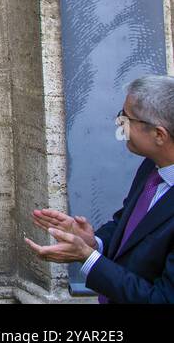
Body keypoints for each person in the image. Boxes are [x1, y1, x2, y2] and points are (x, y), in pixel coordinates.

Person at [26, 76, 174, 304]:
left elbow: (162, 299)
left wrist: (88, 258)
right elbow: (127, 225)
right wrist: (93, 243)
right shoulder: (151, 167)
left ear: (159, 135)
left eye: (126, 118)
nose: (119, 122)